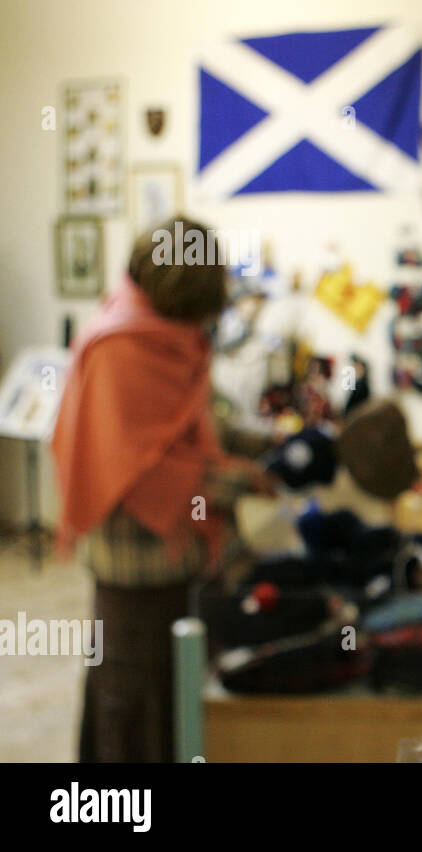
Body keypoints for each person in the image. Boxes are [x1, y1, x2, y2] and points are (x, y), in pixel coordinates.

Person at [51, 218, 273, 762]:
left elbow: (200, 419)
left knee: (174, 697)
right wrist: (244, 479)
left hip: (178, 561)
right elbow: (146, 471)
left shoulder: (169, 337)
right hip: (135, 564)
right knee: (132, 699)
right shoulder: (120, 348)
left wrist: (273, 444)